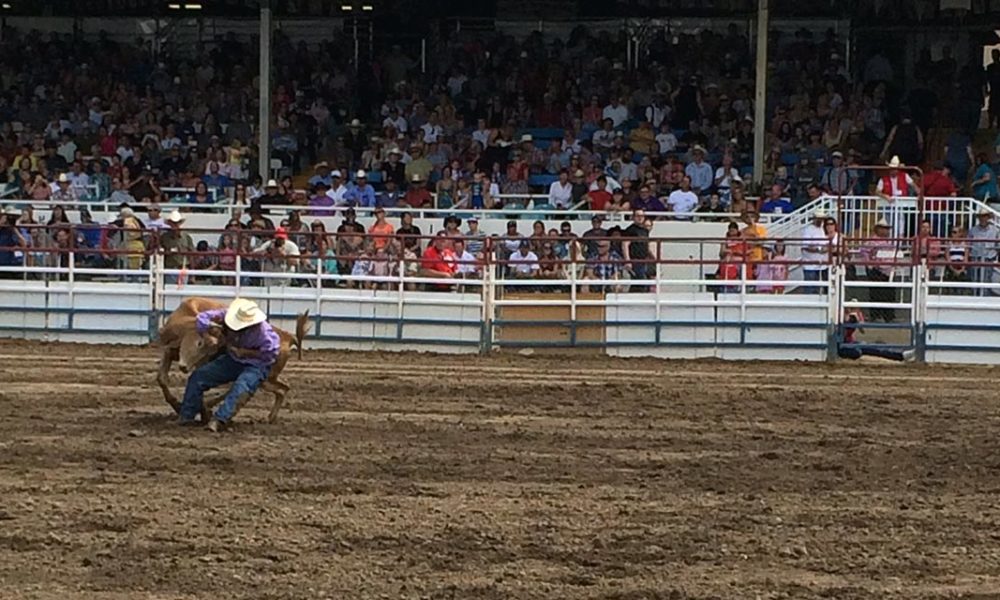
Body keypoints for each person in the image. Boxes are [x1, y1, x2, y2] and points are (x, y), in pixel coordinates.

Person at [178, 298, 280, 432]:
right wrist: (207, 332)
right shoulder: (226, 314)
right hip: (233, 359)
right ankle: (187, 415)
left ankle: (220, 419)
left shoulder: (263, 333)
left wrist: (246, 352)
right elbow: (202, 318)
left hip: (256, 365)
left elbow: (271, 353)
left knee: (241, 386)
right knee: (199, 376)